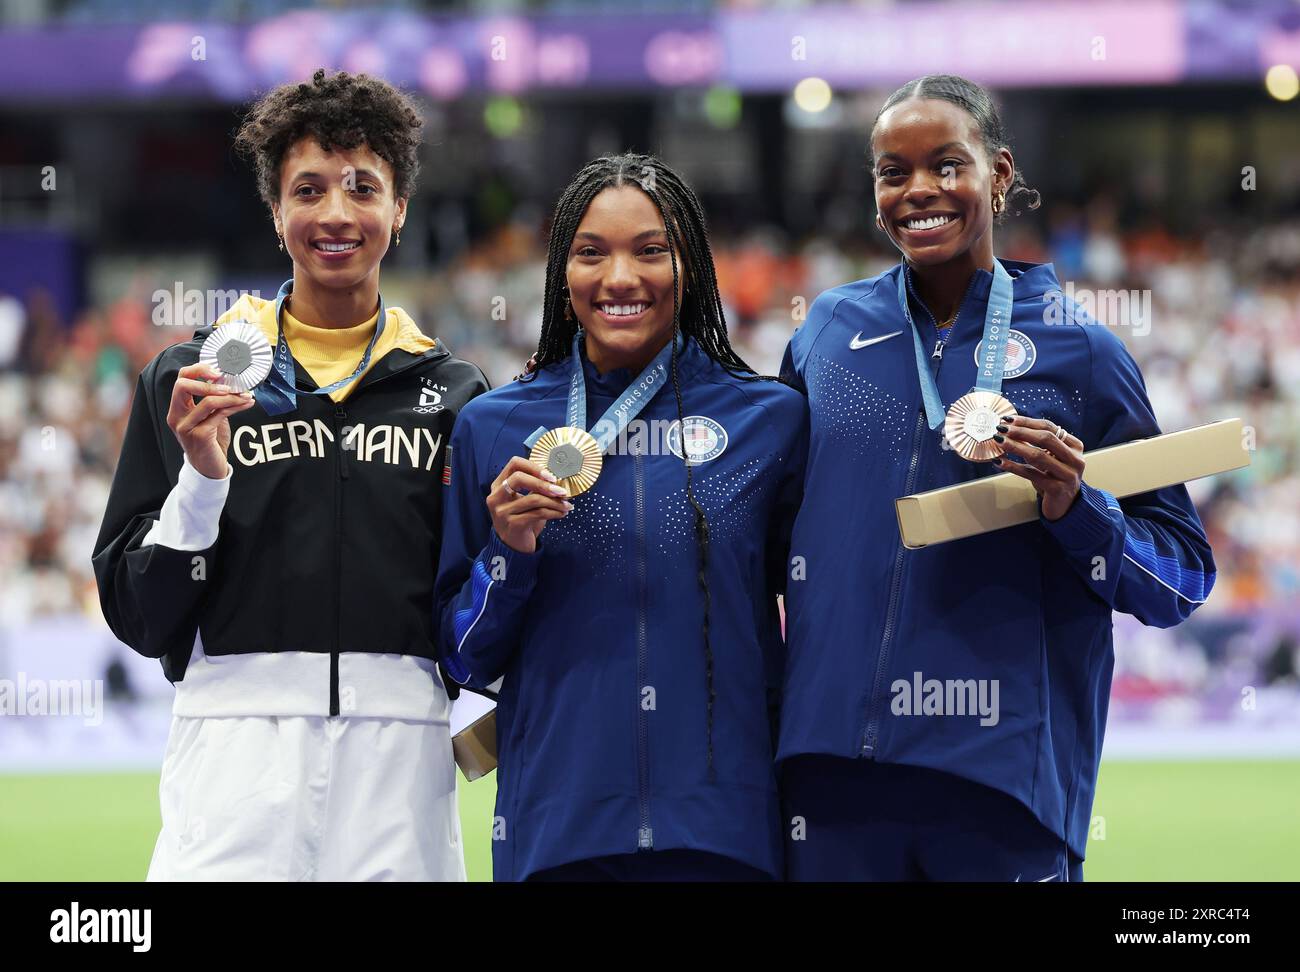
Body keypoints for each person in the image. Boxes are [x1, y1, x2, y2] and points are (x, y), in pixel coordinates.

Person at [778, 75, 1215, 882]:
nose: (919, 190)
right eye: (892, 172)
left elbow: (1182, 578)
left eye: (947, 165)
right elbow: (769, 535)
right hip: (831, 784)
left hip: (1000, 787)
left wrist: (1079, 510)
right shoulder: (825, 334)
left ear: (1000, 173)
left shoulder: (1082, 351)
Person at [92, 69, 488, 881]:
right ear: (275, 212)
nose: (336, 214)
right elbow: (139, 616)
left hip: (400, 771)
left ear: (400, 209)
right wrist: (202, 484)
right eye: (308, 189)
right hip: (233, 763)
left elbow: (471, 610)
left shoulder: (456, 396)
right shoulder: (191, 380)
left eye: (363, 187)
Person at [434, 153, 807, 881]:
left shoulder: (770, 420)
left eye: (650, 250)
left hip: (723, 836)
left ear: (690, 266)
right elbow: (462, 658)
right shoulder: (493, 426)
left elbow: (821, 618)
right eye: (591, 253)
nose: (620, 278)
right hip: (556, 834)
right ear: (561, 272)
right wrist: (508, 553)